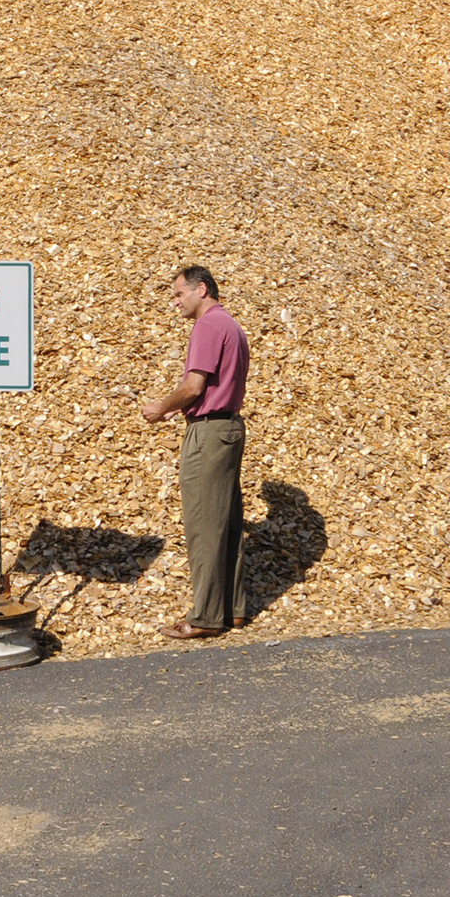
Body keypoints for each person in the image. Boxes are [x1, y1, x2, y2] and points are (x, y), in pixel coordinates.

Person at [139, 265, 250, 639]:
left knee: (204, 525)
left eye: (178, 294)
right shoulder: (232, 325)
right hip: (231, 426)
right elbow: (213, 387)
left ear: (201, 289)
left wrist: (161, 407)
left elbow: (194, 386)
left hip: (208, 434)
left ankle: (204, 617)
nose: (175, 302)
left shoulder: (206, 326)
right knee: (229, 523)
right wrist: (181, 406)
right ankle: (233, 609)